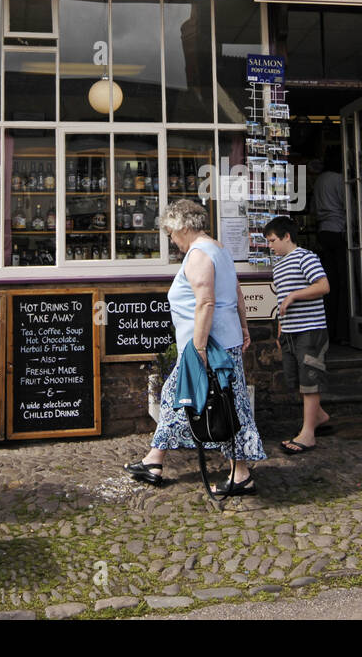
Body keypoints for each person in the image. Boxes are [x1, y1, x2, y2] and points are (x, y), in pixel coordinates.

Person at [125, 199, 264, 494]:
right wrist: (243, 326)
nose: (172, 240)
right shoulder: (219, 250)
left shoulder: (199, 255)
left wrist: (198, 350)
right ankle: (154, 459)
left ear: (184, 226)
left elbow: (206, 302)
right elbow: (236, 291)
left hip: (208, 347)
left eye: (171, 233)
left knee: (225, 404)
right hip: (221, 341)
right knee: (178, 397)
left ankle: (241, 473)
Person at [264, 216, 332, 454]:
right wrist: (280, 331)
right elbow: (281, 299)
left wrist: (294, 296)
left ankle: (308, 434)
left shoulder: (306, 257)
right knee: (295, 381)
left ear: (287, 236)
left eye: (272, 240)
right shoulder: (279, 265)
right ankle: (319, 416)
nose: (270, 246)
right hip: (290, 332)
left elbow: (323, 286)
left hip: (310, 330)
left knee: (310, 382)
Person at [312, 148, 348, 345]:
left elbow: (312, 208)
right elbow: (348, 204)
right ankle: (342, 332)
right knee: (343, 283)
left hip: (323, 230)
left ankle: (330, 329)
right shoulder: (339, 179)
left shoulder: (319, 181)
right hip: (338, 230)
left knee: (329, 281)